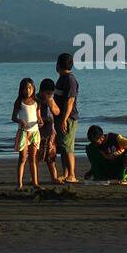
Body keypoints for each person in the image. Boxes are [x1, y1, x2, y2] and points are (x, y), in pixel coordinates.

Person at [53, 53, 80, 183]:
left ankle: (72, 174)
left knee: (68, 146)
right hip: (60, 118)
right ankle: (66, 173)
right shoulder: (62, 78)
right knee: (62, 146)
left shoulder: (70, 80)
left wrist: (64, 119)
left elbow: (70, 101)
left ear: (58, 65)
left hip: (68, 118)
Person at [12, 77, 41, 190]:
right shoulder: (19, 102)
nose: (28, 91)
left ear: (33, 88)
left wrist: (40, 121)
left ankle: (35, 183)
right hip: (24, 133)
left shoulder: (36, 102)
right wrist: (20, 121)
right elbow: (13, 117)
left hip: (34, 132)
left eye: (30, 88)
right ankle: (19, 184)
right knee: (23, 158)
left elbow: (38, 118)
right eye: (25, 88)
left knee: (33, 158)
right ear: (21, 90)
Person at [36, 78, 62, 184]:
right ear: (41, 91)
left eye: (51, 93)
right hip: (38, 131)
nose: (49, 95)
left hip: (50, 131)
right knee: (37, 156)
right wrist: (42, 119)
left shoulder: (51, 98)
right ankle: (35, 178)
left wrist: (51, 103)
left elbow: (57, 112)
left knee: (51, 156)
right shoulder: (35, 99)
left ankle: (54, 177)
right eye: (47, 93)